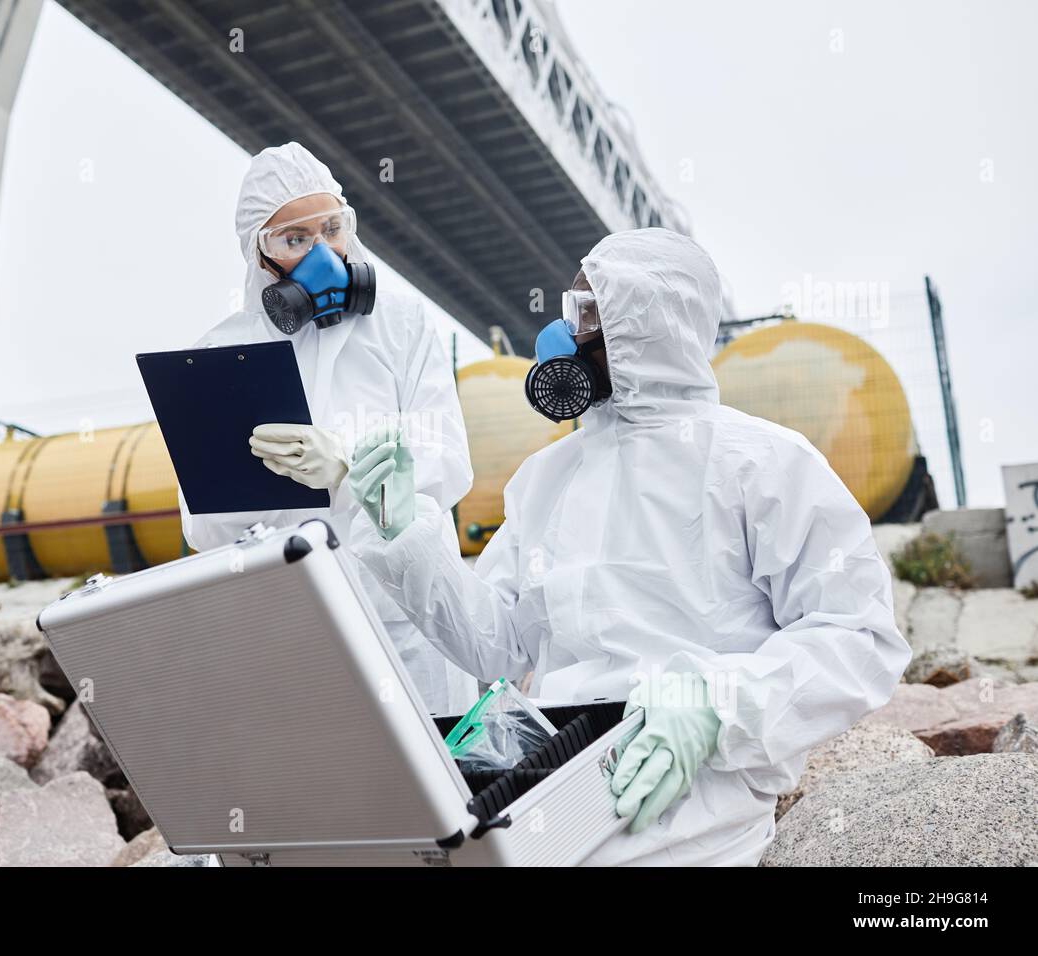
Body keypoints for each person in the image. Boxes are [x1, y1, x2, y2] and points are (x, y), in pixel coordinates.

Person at [345, 227, 911, 865]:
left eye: (587, 314)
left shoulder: (763, 461)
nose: (564, 335)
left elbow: (860, 637)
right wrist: (406, 535)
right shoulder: (547, 479)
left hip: (694, 794)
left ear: (648, 327)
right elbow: (496, 644)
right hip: (549, 781)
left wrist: (717, 701)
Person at [179, 142, 477, 715]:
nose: (323, 253)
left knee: (440, 781)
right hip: (287, 621)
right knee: (322, 782)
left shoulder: (401, 324)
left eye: (333, 228)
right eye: (294, 239)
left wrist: (347, 468)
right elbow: (202, 527)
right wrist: (251, 485)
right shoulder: (219, 354)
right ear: (259, 256)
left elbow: (449, 460)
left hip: (408, 618)